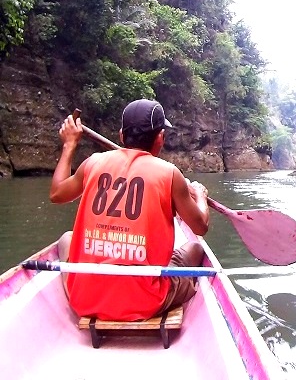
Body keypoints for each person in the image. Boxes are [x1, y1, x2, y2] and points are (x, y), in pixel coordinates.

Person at [49, 99, 210, 321]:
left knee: (66, 239)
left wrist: (69, 145)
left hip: (84, 300)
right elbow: (200, 227)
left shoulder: (92, 163)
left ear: (121, 136)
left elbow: (57, 193)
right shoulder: (170, 174)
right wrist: (200, 196)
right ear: (160, 137)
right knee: (195, 248)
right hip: (145, 301)